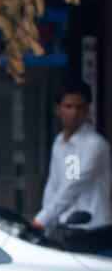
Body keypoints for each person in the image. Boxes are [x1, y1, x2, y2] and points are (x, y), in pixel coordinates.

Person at [33, 79, 112, 251]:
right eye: (68, 106)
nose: (74, 113)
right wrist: (45, 225)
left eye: (80, 107)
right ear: (58, 109)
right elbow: (56, 185)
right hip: (68, 230)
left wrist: (41, 220)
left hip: (94, 232)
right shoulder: (61, 142)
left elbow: (72, 186)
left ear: (87, 110)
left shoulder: (94, 145)